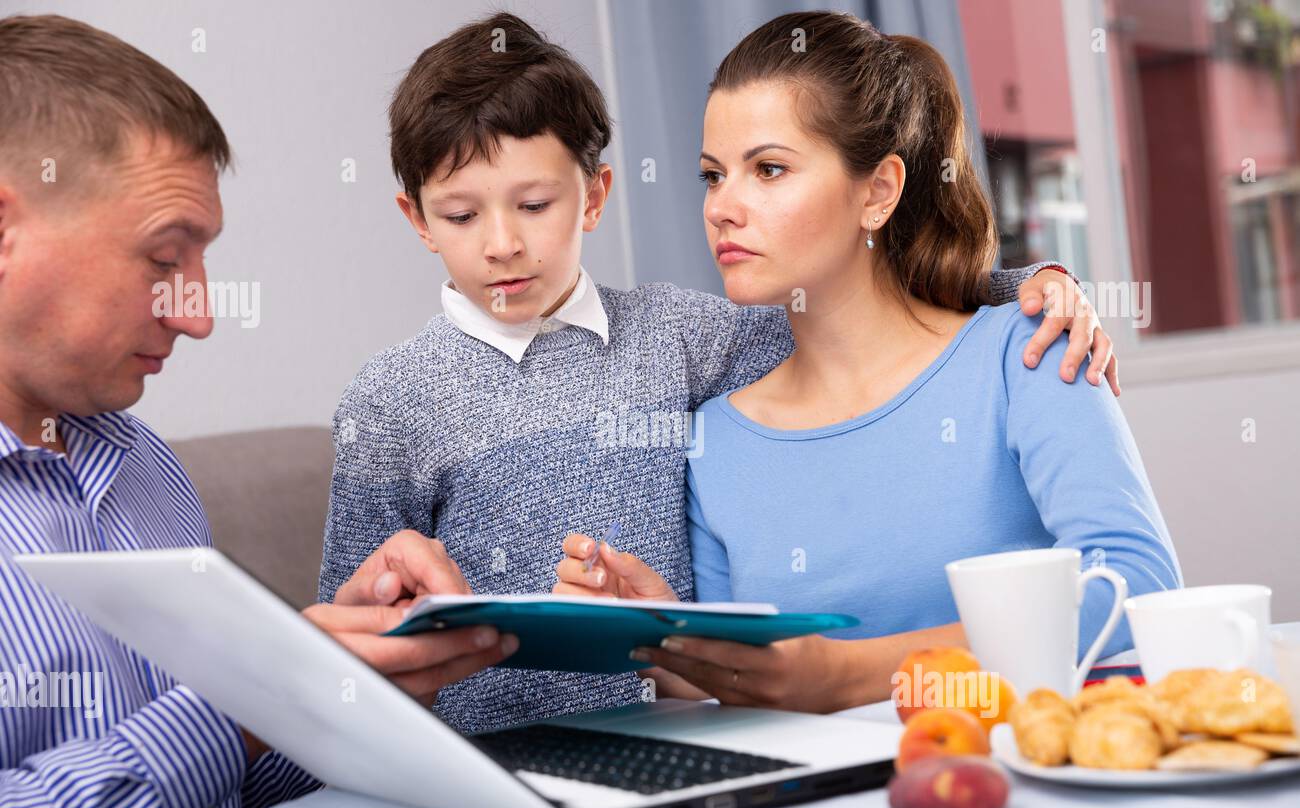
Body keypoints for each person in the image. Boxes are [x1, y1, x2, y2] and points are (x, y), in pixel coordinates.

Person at [321, 12, 1115, 735]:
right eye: (461, 216)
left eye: (534, 204)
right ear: (417, 219)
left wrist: (1031, 289)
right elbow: (346, 635)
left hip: (673, 734)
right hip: (479, 751)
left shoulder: (680, 336)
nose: (501, 244)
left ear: (595, 198)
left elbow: (859, 313)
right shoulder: (390, 401)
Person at [553, 11, 1181, 711]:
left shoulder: (1027, 354)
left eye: (768, 169)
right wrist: (673, 644)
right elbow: (750, 704)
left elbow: (1137, 583)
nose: (723, 207)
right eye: (712, 175)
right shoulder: (716, 440)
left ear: (878, 191)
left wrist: (851, 673)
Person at [0, 14, 515, 808]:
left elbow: (222, 803)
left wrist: (337, 681)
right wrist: (250, 696)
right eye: (164, 259)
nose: (199, 316)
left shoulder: (139, 466)